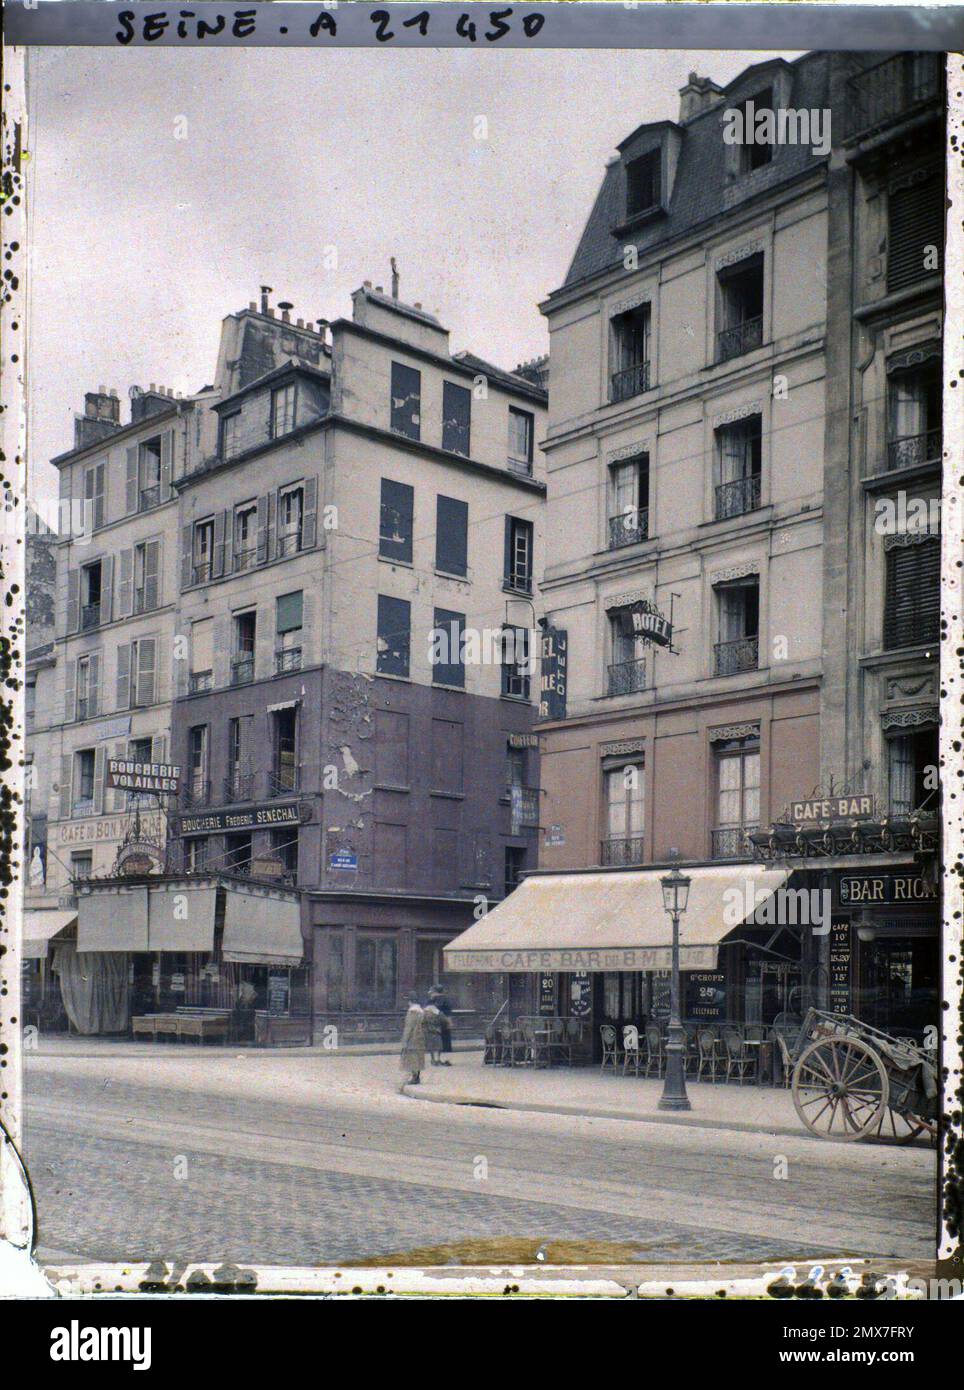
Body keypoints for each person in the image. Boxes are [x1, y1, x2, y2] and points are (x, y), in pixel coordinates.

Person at [399, 999, 426, 1087]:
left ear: (410, 1001)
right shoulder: (421, 1011)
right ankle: (417, 1075)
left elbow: (408, 1027)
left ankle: (414, 1077)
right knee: (418, 1056)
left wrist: (404, 1040)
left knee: (412, 1057)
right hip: (420, 1036)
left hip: (412, 1037)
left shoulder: (412, 1012)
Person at [429, 984, 453, 1065]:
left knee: (433, 1041)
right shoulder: (446, 999)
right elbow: (448, 1012)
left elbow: (429, 1009)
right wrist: (449, 1022)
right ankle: (439, 1058)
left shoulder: (433, 999)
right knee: (442, 1042)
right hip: (443, 1022)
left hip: (434, 1023)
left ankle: (433, 1059)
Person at [423, 1000, 443, 1066]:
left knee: (431, 1046)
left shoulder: (425, 1012)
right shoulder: (437, 1011)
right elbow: (442, 1019)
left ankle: (432, 1059)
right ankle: (438, 1059)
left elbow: (423, 1021)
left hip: (429, 1031)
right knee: (439, 1045)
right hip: (437, 1030)